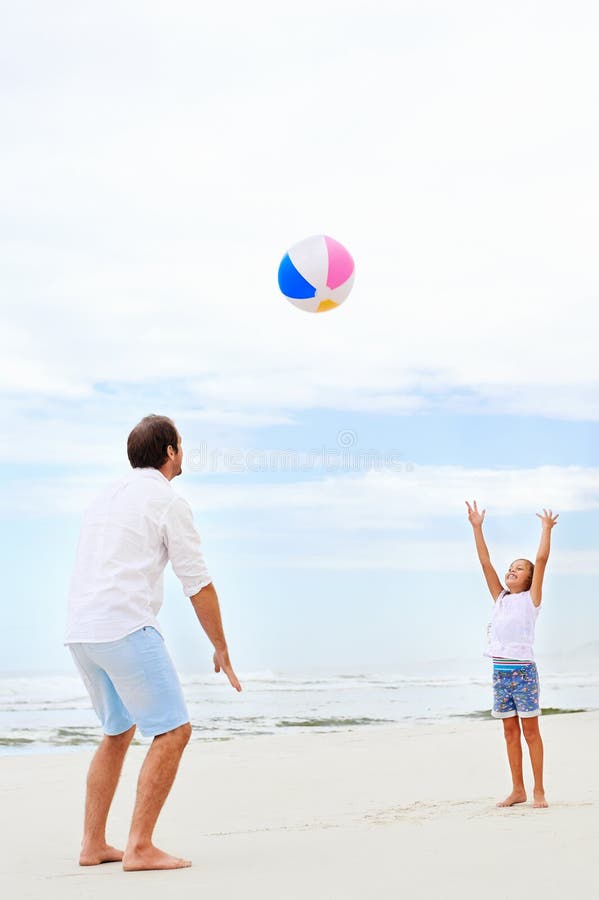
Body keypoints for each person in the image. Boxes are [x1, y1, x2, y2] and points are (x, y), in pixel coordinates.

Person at [64, 414, 241, 871]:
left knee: (117, 731)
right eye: (180, 445)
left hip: (82, 630)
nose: (183, 452)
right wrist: (220, 646)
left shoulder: (105, 497)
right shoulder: (167, 500)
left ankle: (93, 844)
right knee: (174, 730)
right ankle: (139, 846)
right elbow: (197, 582)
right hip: (124, 626)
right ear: (169, 452)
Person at [465, 499, 559, 809]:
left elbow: (541, 559)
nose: (511, 571)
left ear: (529, 579)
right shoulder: (500, 598)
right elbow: (485, 563)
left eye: (518, 569)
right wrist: (477, 528)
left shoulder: (531, 600)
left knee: (530, 731)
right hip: (500, 674)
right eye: (511, 568)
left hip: (523, 673)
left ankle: (539, 790)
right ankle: (517, 789)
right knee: (509, 732)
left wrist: (546, 529)